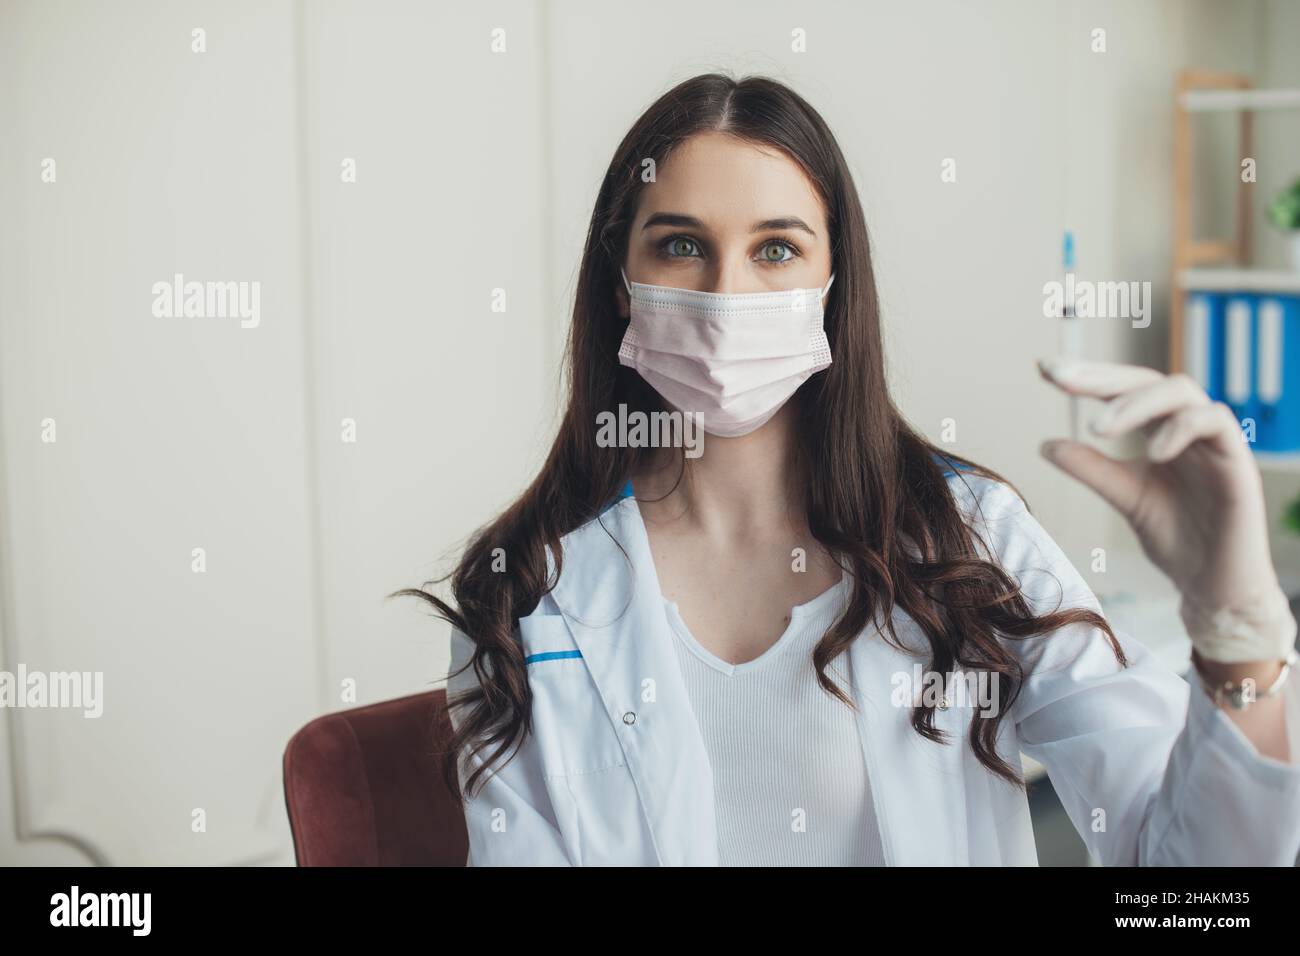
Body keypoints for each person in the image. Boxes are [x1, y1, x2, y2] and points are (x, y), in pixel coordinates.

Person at [403, 73, 1300, 866]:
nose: (726, 294)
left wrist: (1238, 629)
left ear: (834, 288)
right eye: (680, 244)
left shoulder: (965, 536)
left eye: (776, 249)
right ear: (619, 283)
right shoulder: (527, 585)